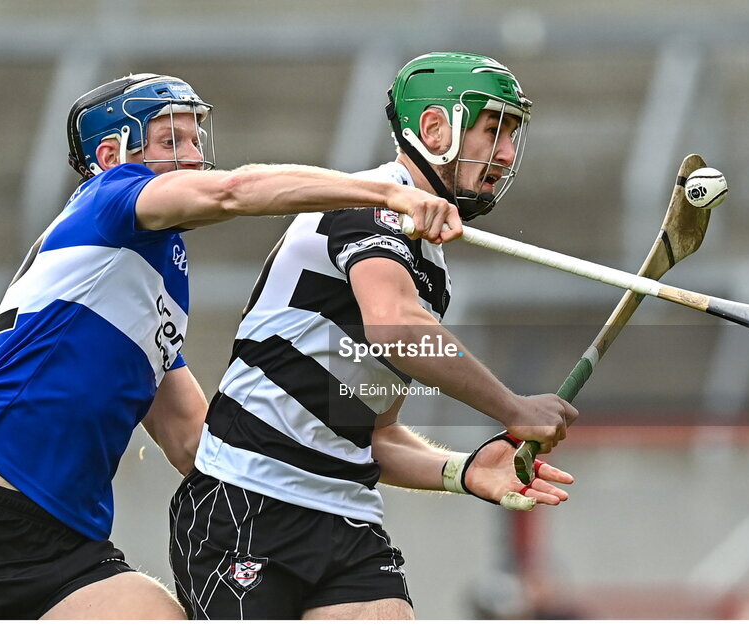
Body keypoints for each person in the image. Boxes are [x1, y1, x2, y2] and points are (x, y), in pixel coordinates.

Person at [0, 73, 461, 619]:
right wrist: (385, 194)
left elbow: (196, 445)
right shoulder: (108, 200)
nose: (194, 155)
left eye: (195, 137)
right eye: (170, 138)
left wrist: (344, 459)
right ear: (112, 156)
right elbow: (234, 190)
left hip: (73, 545)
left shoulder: (152, 282)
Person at [170, 52, 579, 619]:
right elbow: (396, 327)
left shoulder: (426, 266)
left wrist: (464, 470)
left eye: (512, 135)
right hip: (249, 504)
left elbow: (367, 431)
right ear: (435, 128)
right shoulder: (364, 200)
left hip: (345, 519)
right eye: (494, 130)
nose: (507, 153)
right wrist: (511, 407)